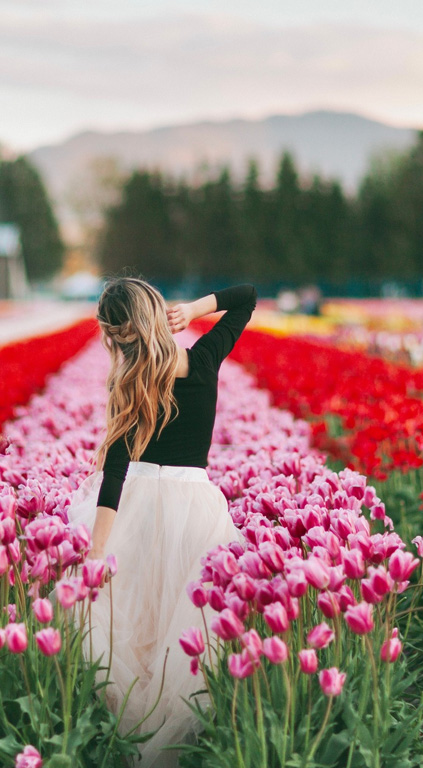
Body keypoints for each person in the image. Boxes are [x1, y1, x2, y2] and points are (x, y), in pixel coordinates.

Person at [67, 278, 257, 768]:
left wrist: (96, 552)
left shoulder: (127, 381)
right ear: (157, 314)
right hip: (195, 507)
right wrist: (193, 309)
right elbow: (247, 296)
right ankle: (178, 746)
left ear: (116, 336)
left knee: (137, 630)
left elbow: (113, 474)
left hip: (137, 509)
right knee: (188, 631)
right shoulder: (206, 357)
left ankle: (129, 743)